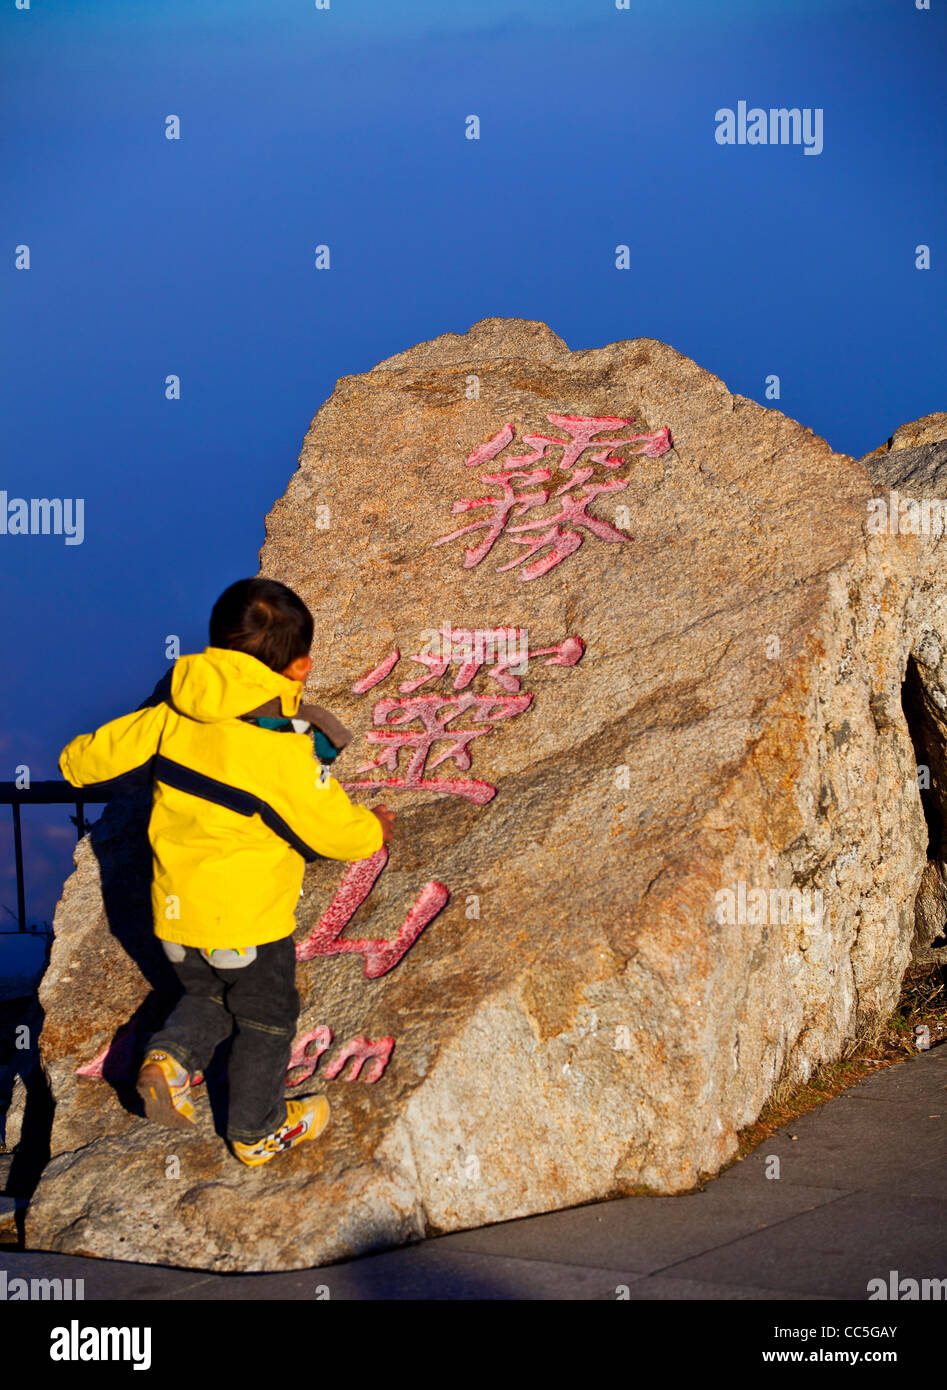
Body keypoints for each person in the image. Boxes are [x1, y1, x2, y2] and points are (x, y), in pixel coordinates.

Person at [59, 577, 394, 1167]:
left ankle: (168, 1060)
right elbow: (336, 833)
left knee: (207, 997)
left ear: (214, 643)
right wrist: (376, 829)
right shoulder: (280, 749)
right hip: (247, 923)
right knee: (267, 1017)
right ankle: (256, 1129)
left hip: (175, 916)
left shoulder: (170, 715)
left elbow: (80, 763)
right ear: (300, 667)